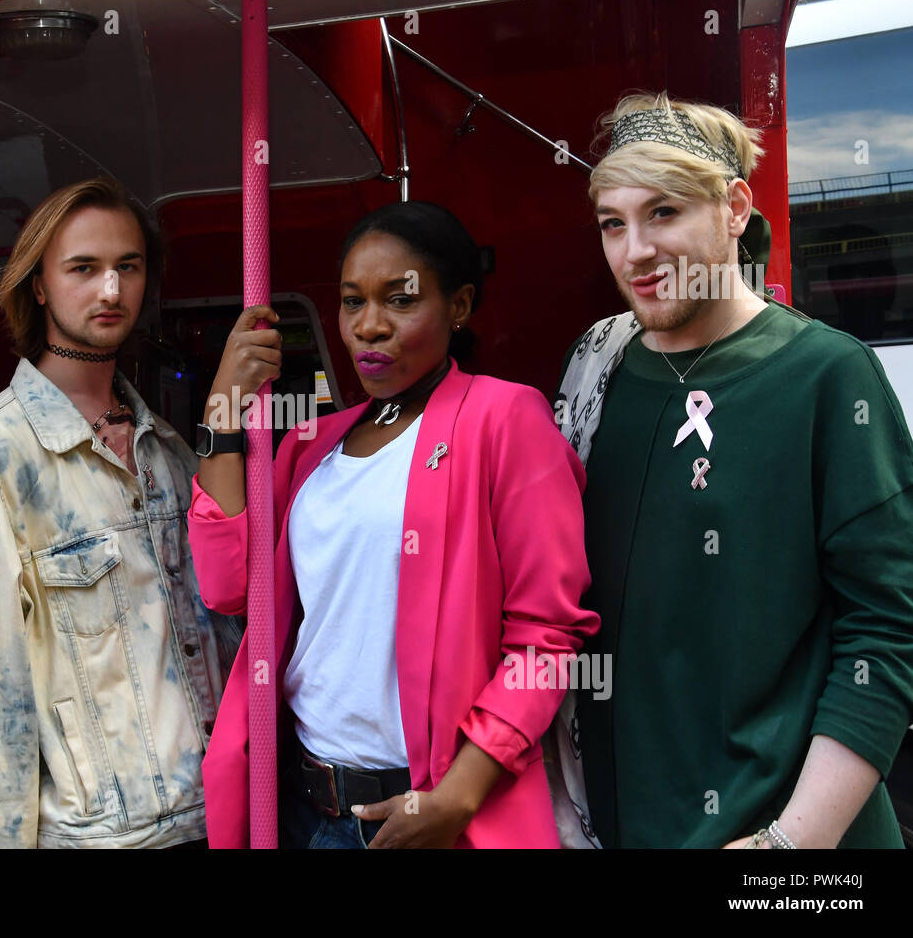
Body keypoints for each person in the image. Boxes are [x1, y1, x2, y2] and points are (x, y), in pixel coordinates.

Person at [556, 92, 913, 848]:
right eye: (612, 224)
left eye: (664, 213)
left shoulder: (827, 376)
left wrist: (788, 846)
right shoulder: (595, 372)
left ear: (735, 207)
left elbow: (886, 632)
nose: (636, 252)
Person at [188, 201, 600, 848]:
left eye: (400, 301)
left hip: (432, 810)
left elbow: (545, 640)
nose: (369, 326)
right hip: (300, 810)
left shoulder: (504, 419)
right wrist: (223, 413)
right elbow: (228, 586)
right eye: (353, 303)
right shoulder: (309, 445)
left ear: (459, 306)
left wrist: (459, 796)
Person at [0, 176, 235, 847]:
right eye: (84, 269)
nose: (112, 290)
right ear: (38, 284)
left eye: (129, 267)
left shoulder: (170, 453)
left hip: (212, 820)